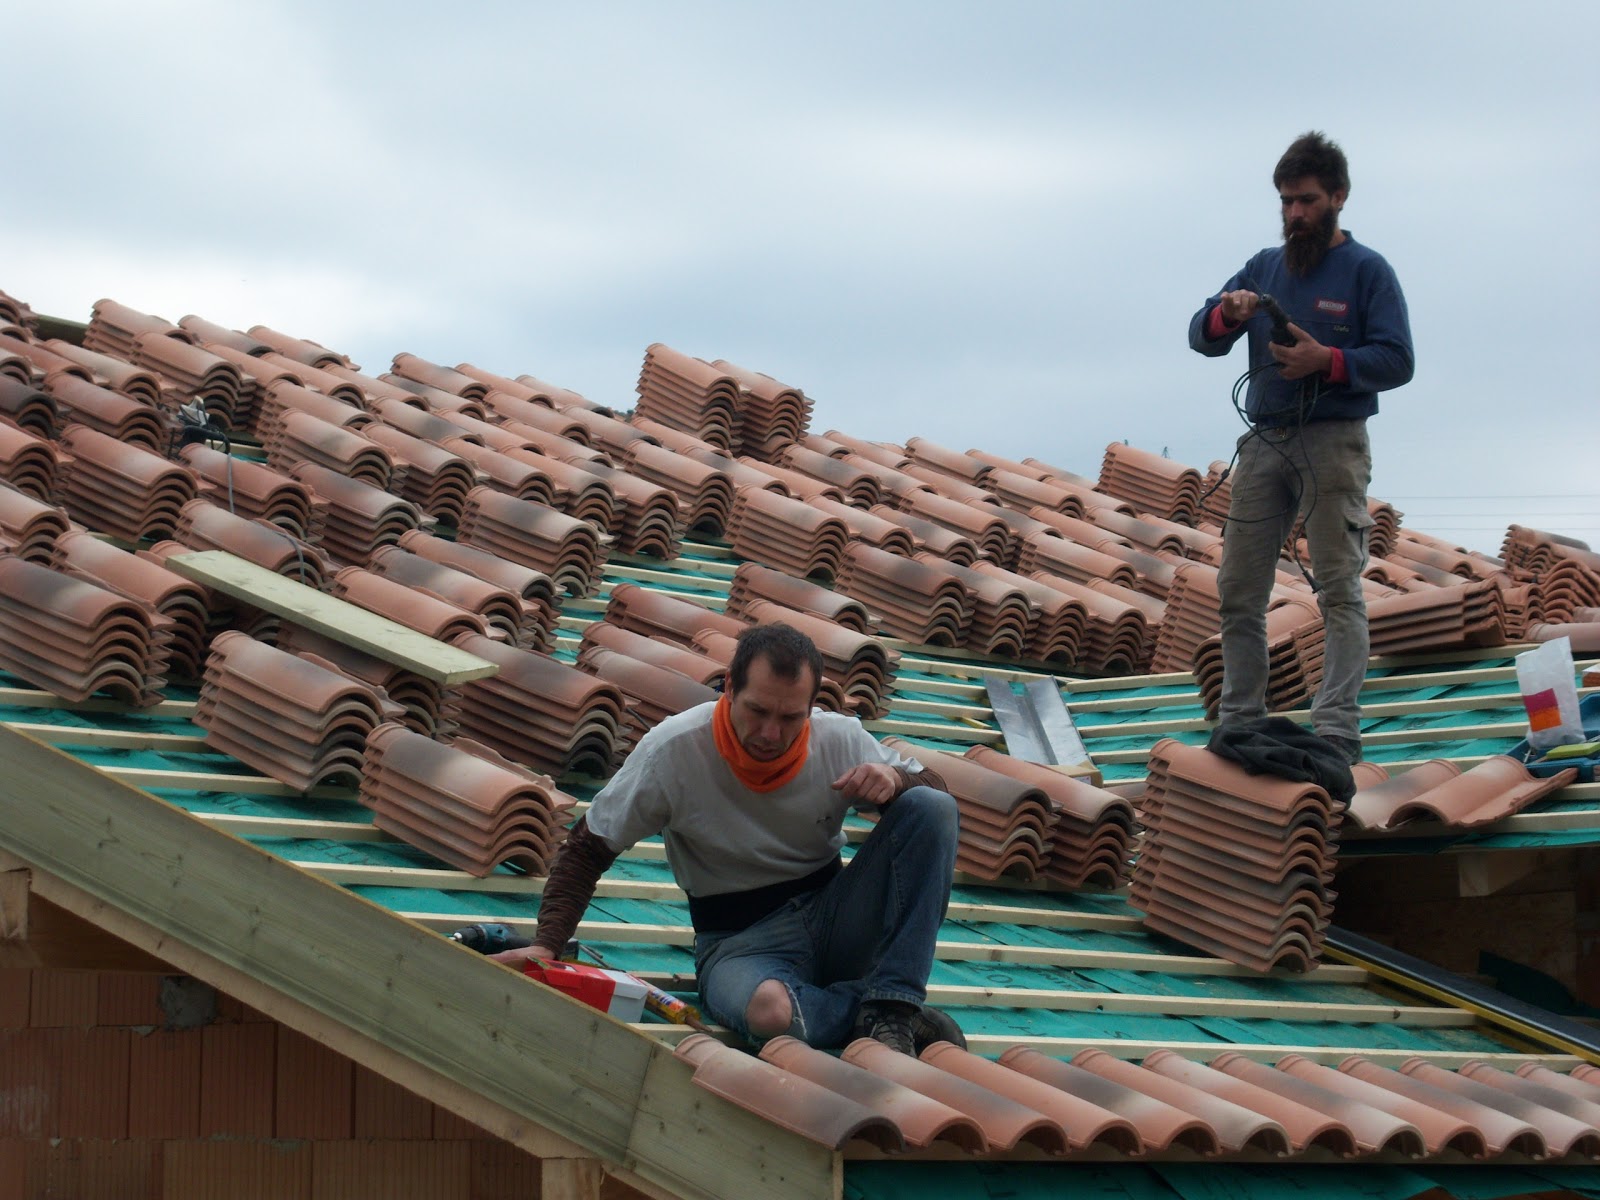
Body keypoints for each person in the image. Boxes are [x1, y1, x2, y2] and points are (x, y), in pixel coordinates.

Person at [492, 622, 965, 1056]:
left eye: (790, 718)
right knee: (772, 1017)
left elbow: (935, 797)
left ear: (813, 705)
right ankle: (874, 1011)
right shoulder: (675, 751)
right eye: (757, 711)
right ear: (730, 689)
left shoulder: (838, 739)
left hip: (834, 915)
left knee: (930, 807)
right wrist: (547, 944)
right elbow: (588, 849)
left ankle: (892, 1010)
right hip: (740, 941)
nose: (770, 733)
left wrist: (895, 781)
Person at [1188, 131, 1415, 765]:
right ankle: (1239, 719)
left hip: (1333, 439)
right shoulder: (1264, 267)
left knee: (1339, 587)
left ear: (1338, 197)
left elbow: (1398, 359)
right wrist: (1229, 315)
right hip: (1265, 440)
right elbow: (1199, 334)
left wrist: (1329, 360)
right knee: (1240, 588)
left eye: (1307, 201)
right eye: (1286, 201)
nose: (1295, 213)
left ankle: (1336, 726)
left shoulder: (1367, 271)